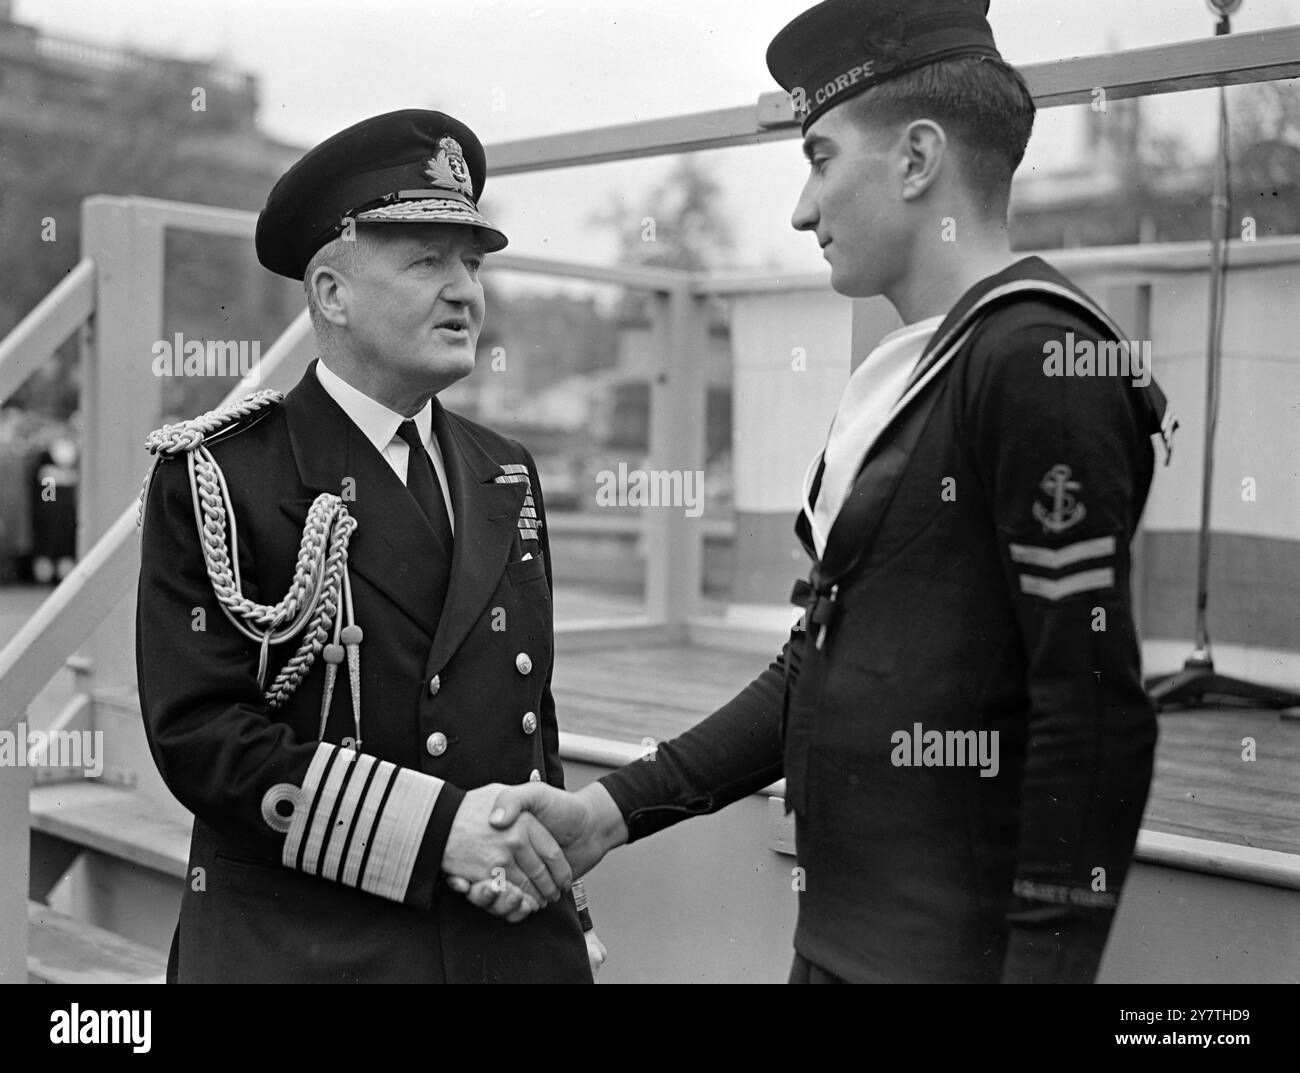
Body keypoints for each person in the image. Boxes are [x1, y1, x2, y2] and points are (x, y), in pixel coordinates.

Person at [482, 0, 1177, 984]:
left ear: (914, 160)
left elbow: (1096, 710)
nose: (802, 211)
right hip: (843, 951)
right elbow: (813, 667)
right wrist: (609, 810)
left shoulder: (1034, 361)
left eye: (817, 157)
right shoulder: (932, 364)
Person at [135, 109, 602, 983]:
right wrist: (434, 836)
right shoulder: (221, 475)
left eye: (472, 260)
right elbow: (200, 735)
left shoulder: (504, 469)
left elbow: (527, 712)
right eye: (427, 259)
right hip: (317, 947)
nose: (465, 289)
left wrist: (555, 892)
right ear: (331, 293)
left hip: (505, 936)